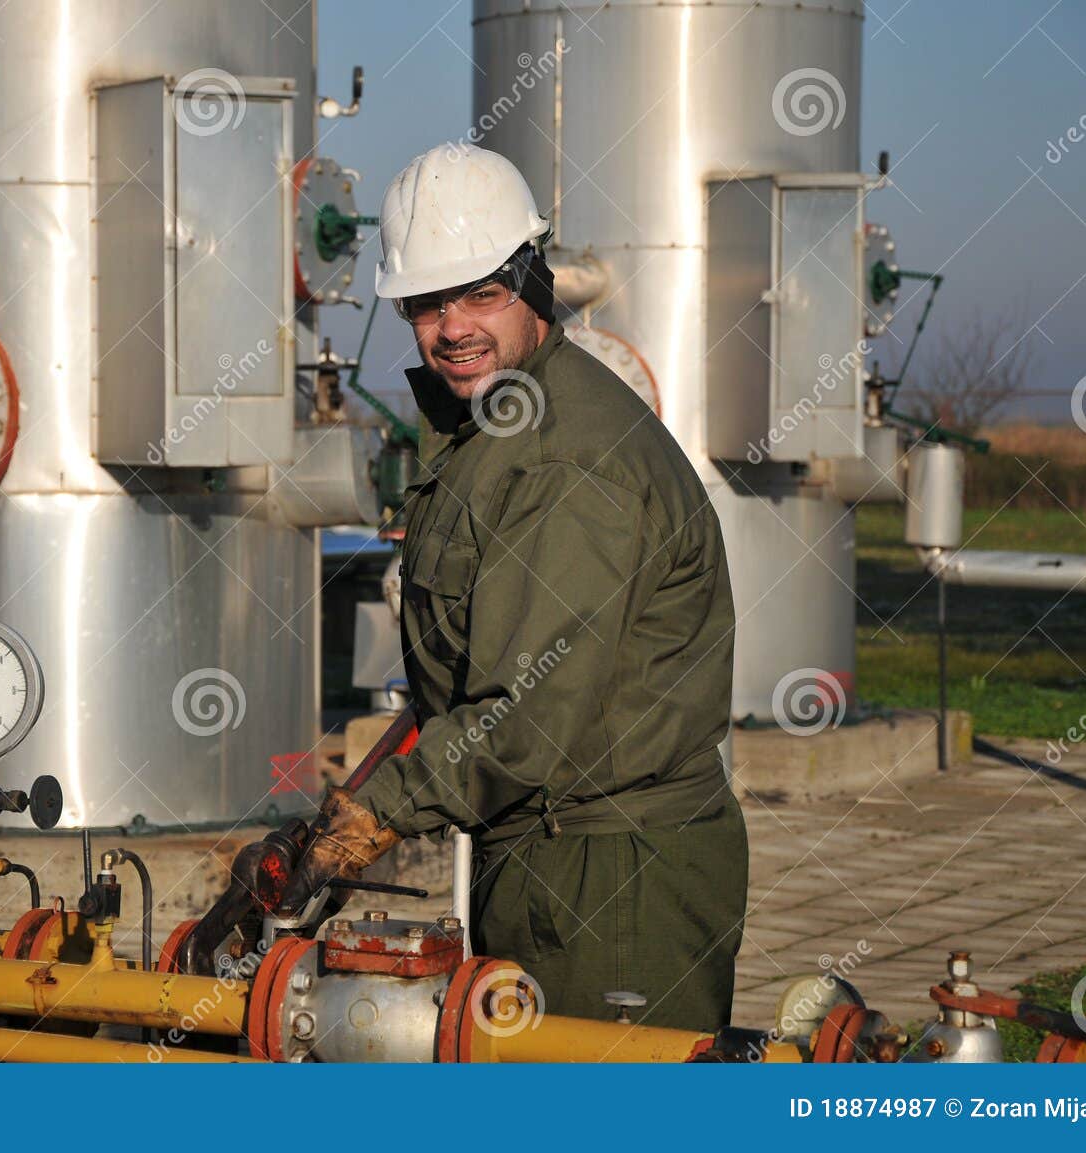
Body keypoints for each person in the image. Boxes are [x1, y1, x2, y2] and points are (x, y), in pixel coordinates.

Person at [282, 143, 748, 1030]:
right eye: (426, 303)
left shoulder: (564, 464)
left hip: (612, 882)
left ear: (533, 283)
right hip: (550, 852)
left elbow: (522, 725)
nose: (453, 325)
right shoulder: (496, 424)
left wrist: (378, 813)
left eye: (482, 293)